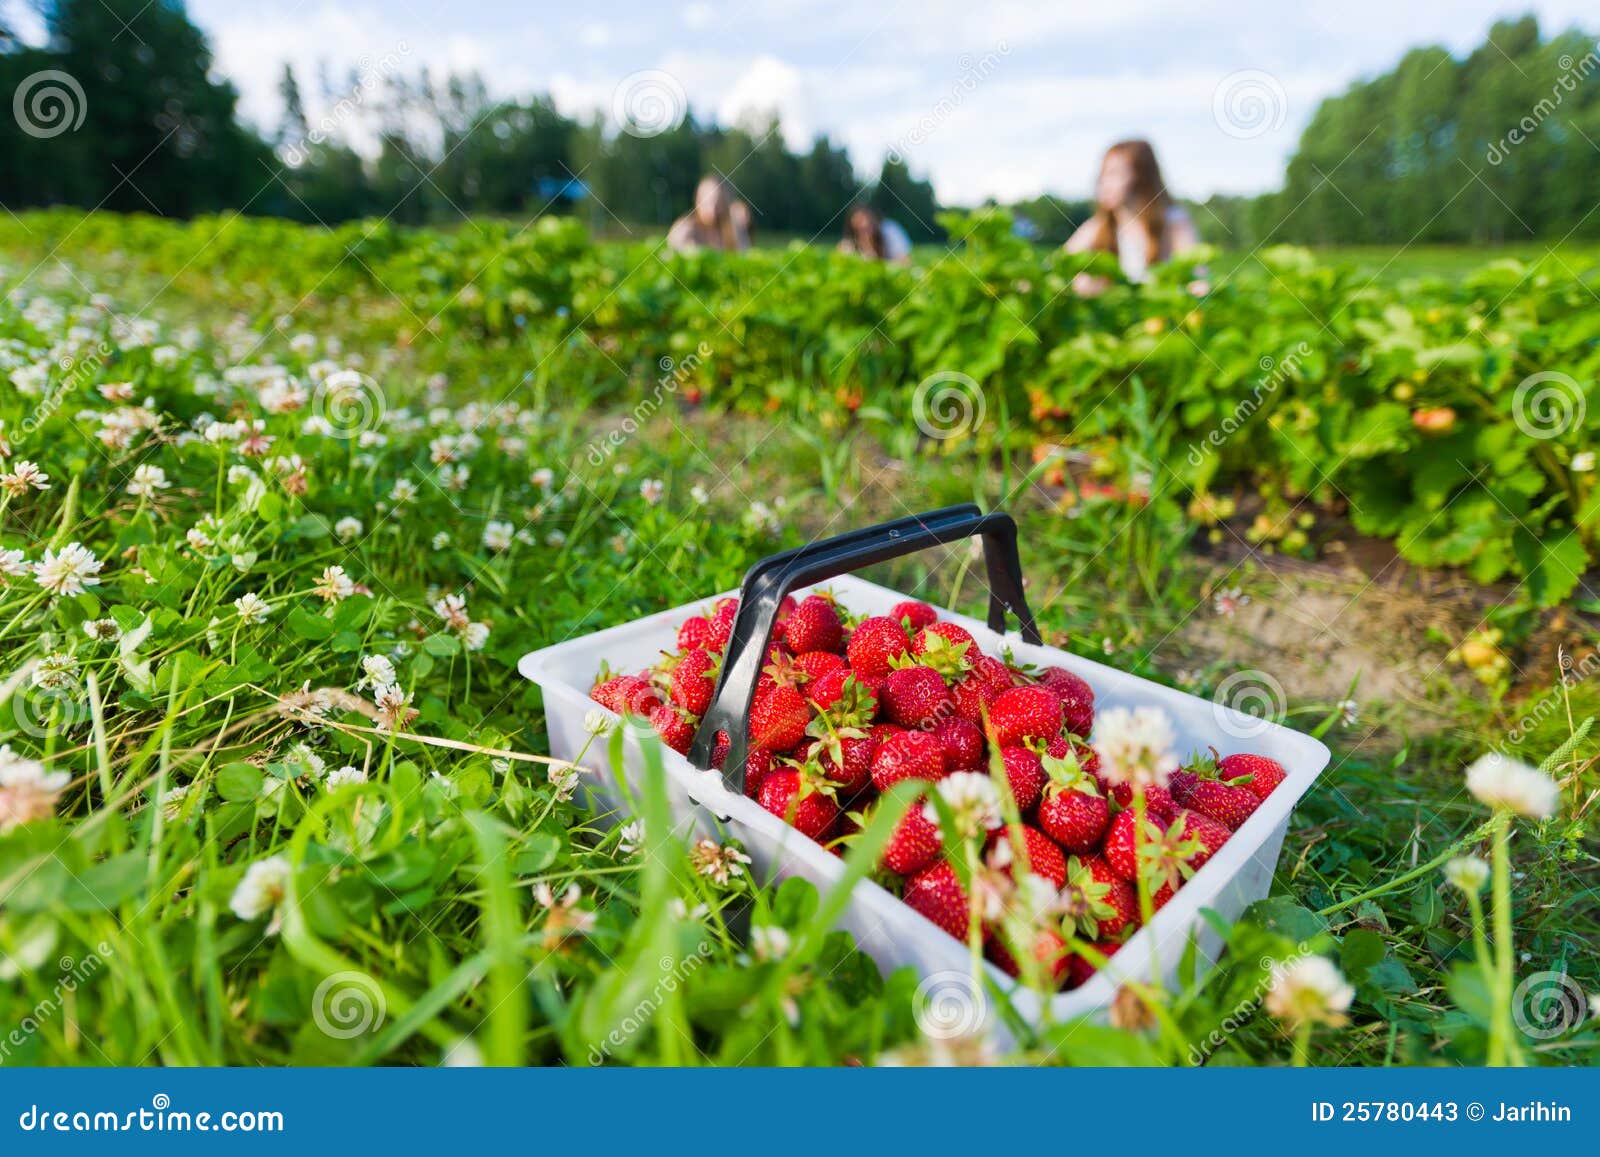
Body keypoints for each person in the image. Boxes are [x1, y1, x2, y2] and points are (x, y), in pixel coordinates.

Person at [1065, 140, 1198, 294]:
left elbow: (1196, 277)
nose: (1103, 183)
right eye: (1103, 174)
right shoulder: (1098, 226)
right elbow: (1060, 265)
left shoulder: (1173, 221)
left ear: (1141, 177)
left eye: (1114, 174)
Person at [666, 175, 751, 253]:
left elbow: (744, 253)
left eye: (719, 202)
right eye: (708, 201)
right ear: (698, 199)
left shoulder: (733, 230)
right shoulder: (684, 229)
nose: (713, 209)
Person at [838, 204, 911, 265]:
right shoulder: (848, 245)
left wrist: (874, 263)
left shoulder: (889, 230)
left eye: (869, 222)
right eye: (859, 227)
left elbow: (906, 262)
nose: (864, 223)